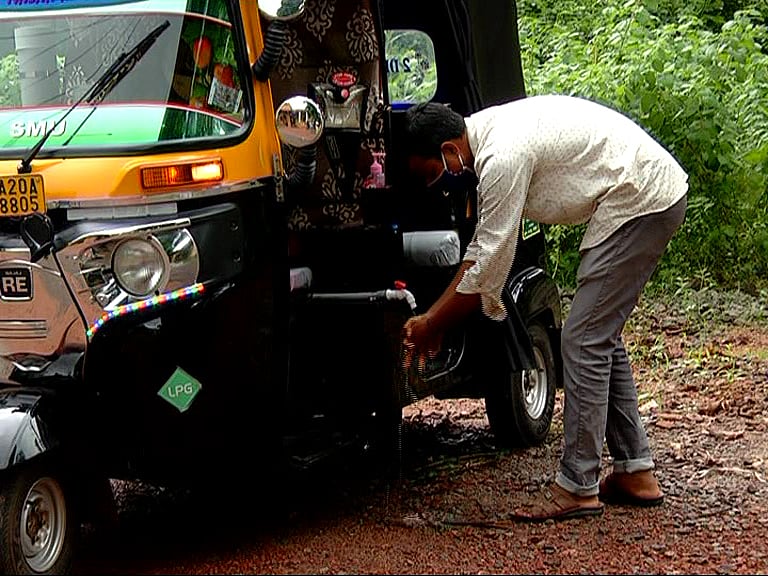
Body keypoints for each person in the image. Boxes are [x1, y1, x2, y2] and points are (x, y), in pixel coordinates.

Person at [401, 94, 688, 522]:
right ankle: (635, 469)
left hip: (641, 198)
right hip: (644, 194)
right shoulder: (489, 134)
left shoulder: (501, 155)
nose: (437, 184)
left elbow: (488, 258)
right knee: (597, 336)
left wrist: (431, 322)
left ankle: (577, 486)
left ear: (447, 151)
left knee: (583, 339)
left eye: (431, 175)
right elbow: (488, 251)